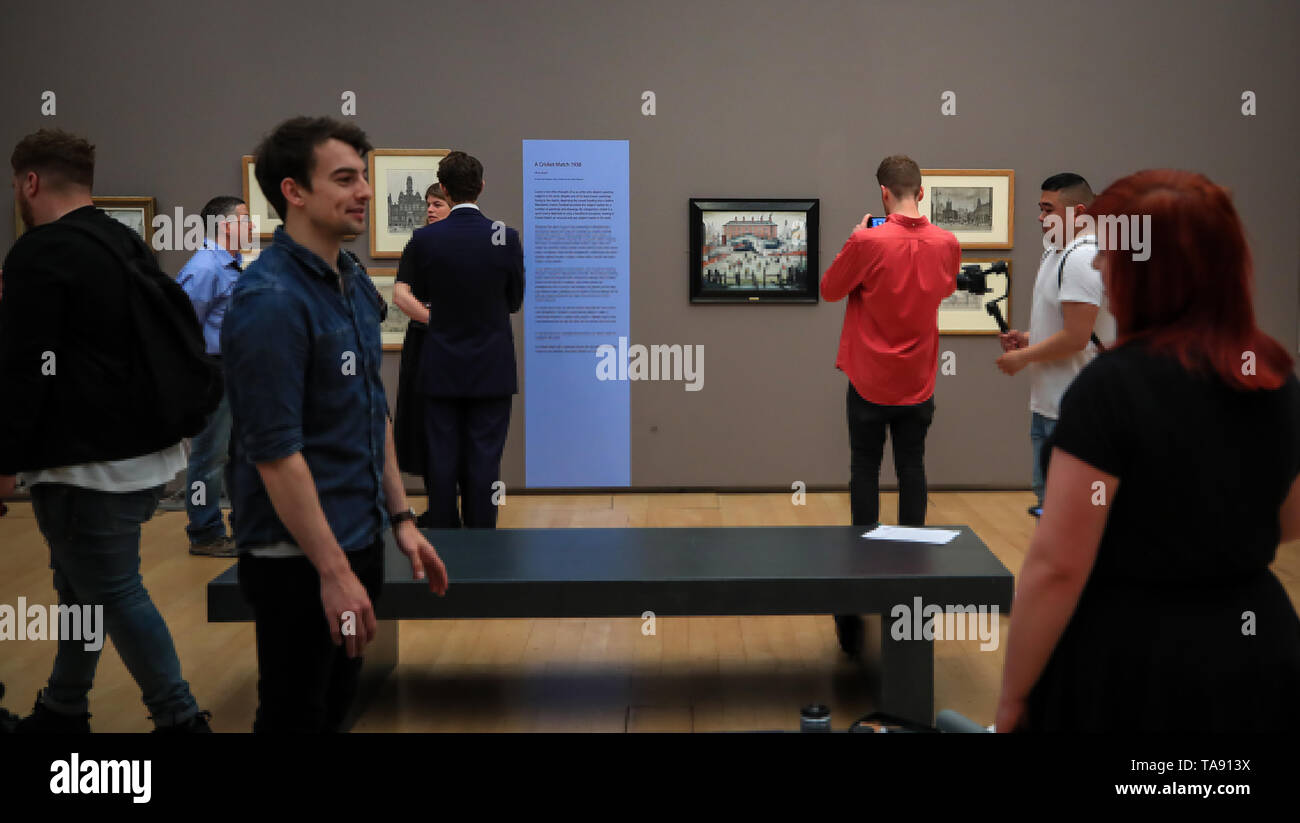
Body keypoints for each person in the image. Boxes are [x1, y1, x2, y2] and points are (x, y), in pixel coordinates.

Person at [995, 169, 1300, 732]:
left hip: (1136, 661)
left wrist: (1014, 697)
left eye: (1114, 253)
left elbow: (1059, 566)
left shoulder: (1111, 389)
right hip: (1258, 652)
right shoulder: (1272, 373)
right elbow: (1287, 521)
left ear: (1149, 268)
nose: (1104, 268)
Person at [222, 116, 448, 732]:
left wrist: (401, 519)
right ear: (294, 192)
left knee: (337, 704)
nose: (366, 192)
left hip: (358, 538)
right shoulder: (270, 300)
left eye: (365, 178)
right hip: (298, 559)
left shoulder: (349, 282)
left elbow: (371, 409)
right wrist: (332, 571)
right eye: (345, 179)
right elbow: (276, 453)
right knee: (297, 712)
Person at [0, 129, 210, 732]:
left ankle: (181, 720)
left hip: (82, 464)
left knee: (113, 591)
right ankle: (64, 706)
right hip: (145, 455)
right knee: (80, 589)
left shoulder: (38, 252)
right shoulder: (123, 241)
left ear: (30, 183)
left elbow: (25, 370)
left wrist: (4, 458)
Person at [819, 154, 959, 656]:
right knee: (913, 469)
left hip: (869, 379)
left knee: (864, 469)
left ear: (883, 194)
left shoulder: (867, 240)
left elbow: (830, 289)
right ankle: (911, 574)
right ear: (921, 192)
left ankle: (862, 572)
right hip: (918, 380)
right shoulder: (947, 242)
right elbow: (942, 288)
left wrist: (857, 240)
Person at [403, 150, 523, 529]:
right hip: (491, 364)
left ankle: (442, 528)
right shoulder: (507, 237)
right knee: (485, 456)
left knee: (441, 454)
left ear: (444, 190)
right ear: (481, 187)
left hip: (441, 363)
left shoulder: (425, 239)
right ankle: (482, 532)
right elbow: (514, 301)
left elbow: (413, 294)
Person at [995, 173, 1116, 517]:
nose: (1039, 217)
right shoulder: (1056, 252)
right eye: (1040, 208)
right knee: (1050, 510)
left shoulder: (1083, 259)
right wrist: (1028, 338)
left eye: (1047, 209)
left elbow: (1077, 338)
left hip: (1075, 411)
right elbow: (1072, 329)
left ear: (1078, 212)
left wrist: (1023, 357)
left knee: (1069, 517)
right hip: (1048, 405)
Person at [176, 195, 249, 556]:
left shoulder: (231, 266)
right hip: (212, 372)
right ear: (224, 225)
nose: (251, 227)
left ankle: (242, 526)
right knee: (208, 457)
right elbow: (184, 329)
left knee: (238, 453)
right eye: (245, 219)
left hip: (235, 371)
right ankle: (204, 533)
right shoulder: (206, 268)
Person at [392, 183, 451, 526]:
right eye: (428, 204)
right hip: (425, 341)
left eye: (437, 204)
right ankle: (440, 509)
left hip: (440, 337)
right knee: (426, 425)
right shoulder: (419, 243)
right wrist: (437, 321)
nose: (429, 210)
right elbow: (402, 295)